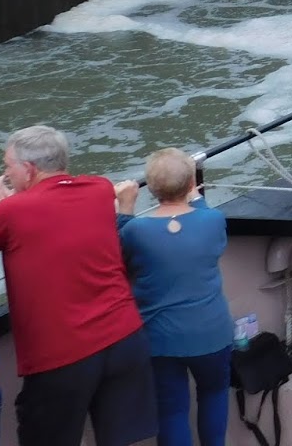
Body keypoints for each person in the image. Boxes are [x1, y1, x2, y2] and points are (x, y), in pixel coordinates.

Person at [0, 126, 155, 446]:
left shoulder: (10, 212)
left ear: (29, 169)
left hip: (62, 358)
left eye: (8, 167)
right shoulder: (99, 188)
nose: (6, 174)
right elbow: (50, 209)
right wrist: (9, 202)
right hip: (124, 339)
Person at [114, 151, 234, 446]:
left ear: (150, 190)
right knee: (215, 393)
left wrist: (125, 206)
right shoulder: (213, 220)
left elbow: (117, 257)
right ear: (192, 182)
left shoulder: (136, 230)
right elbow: (204, 219)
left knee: (171, 411)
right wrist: (195, 196)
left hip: (160, 338)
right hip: (212, 332)